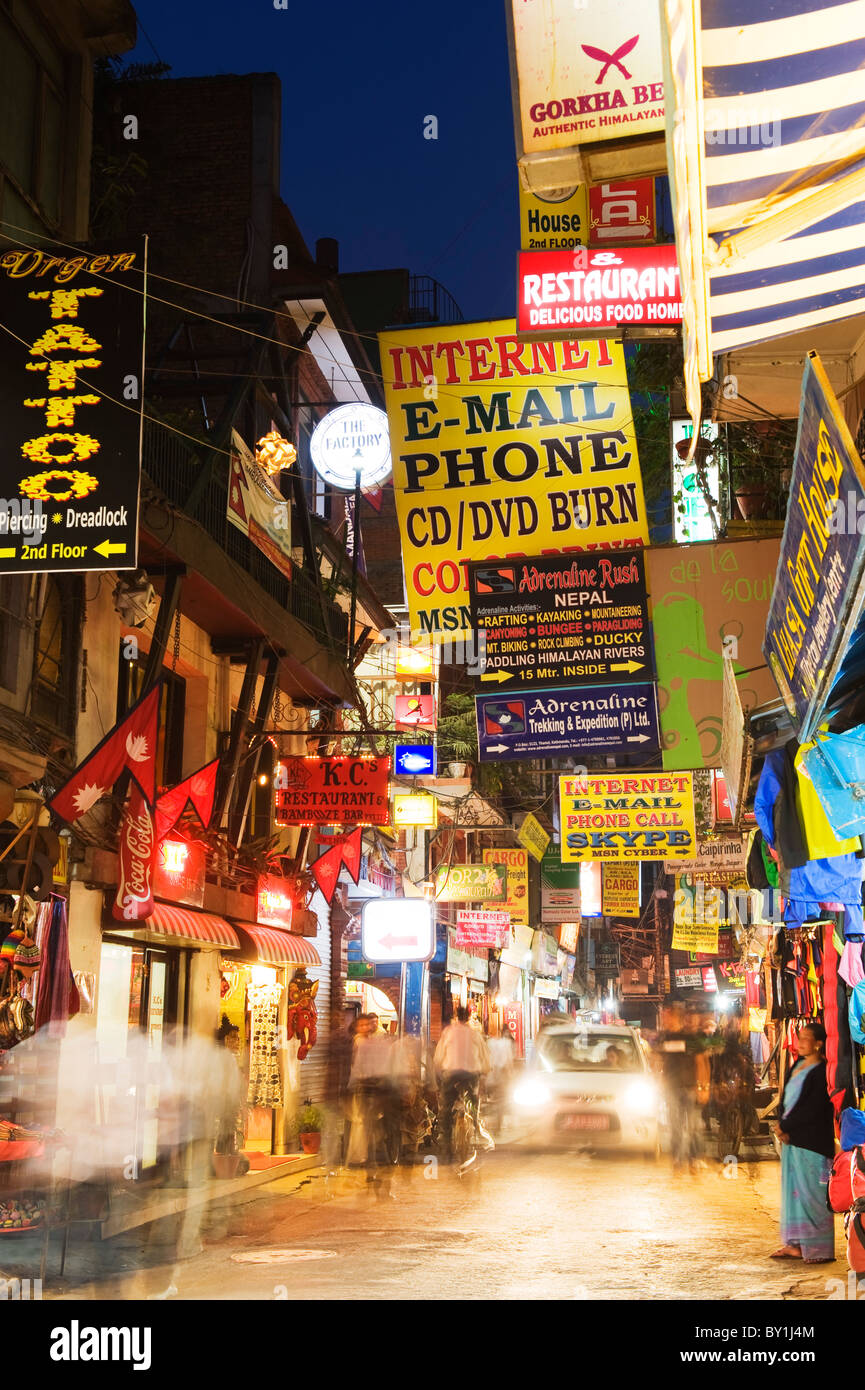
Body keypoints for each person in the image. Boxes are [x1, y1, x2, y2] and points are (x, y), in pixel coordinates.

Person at [770, 1022, 836, 1264]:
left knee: (813, 1196)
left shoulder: (822, 1071)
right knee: (794, 1194)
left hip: (813, 1142)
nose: (801, 1040)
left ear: (819, 1043)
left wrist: (786, 1126)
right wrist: (782, 1125)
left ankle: (819, 1250)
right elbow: (787, 1098)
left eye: (807, 1037)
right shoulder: (798, 1064)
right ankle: (795, 1245)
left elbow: (813, 1108)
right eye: (801, 1036)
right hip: (793, 1140)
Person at [434, 1005, 491, 1159]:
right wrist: (485, 1071)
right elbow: (484, 1056)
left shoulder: (448, 1032)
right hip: (471, 1074)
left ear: (456, 1016)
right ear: (468, 1016)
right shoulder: (474, 1034)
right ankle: (475, 1126)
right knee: (473, 1101)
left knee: (446, 1108)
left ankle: (446, 1145)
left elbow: (439, 1057)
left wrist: (439, 1071)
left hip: (451, 1074)